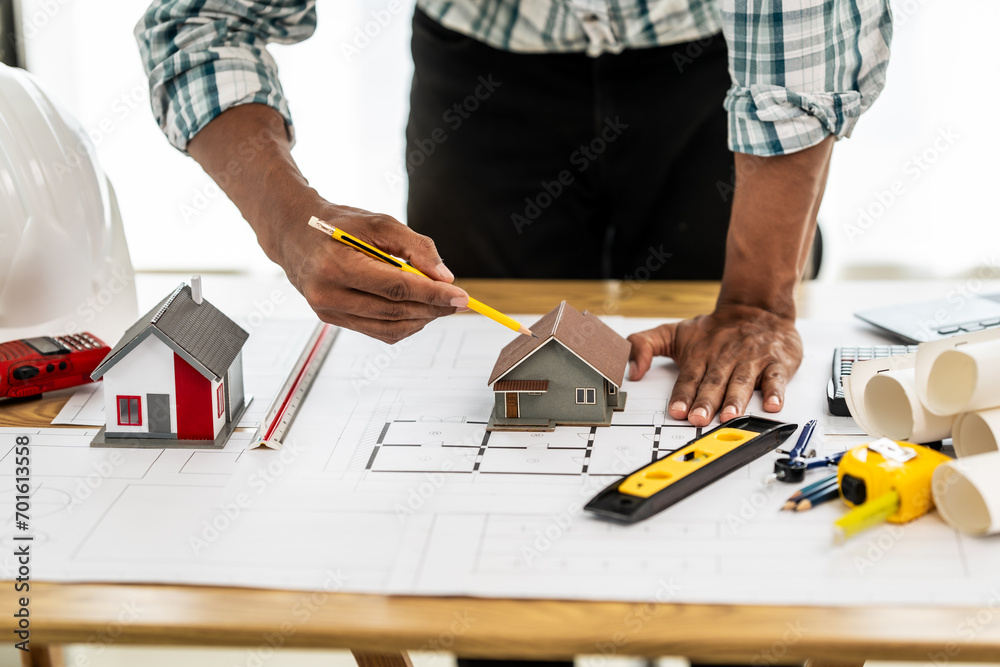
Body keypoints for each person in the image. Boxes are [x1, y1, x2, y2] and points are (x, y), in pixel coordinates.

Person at [135, 0, 891, 427]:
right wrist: (291, 227)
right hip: (483, 82)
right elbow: (201, 26)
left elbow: (806, 37)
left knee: (740, 430)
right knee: (494, 481)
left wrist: (759, 303)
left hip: (713, 71)